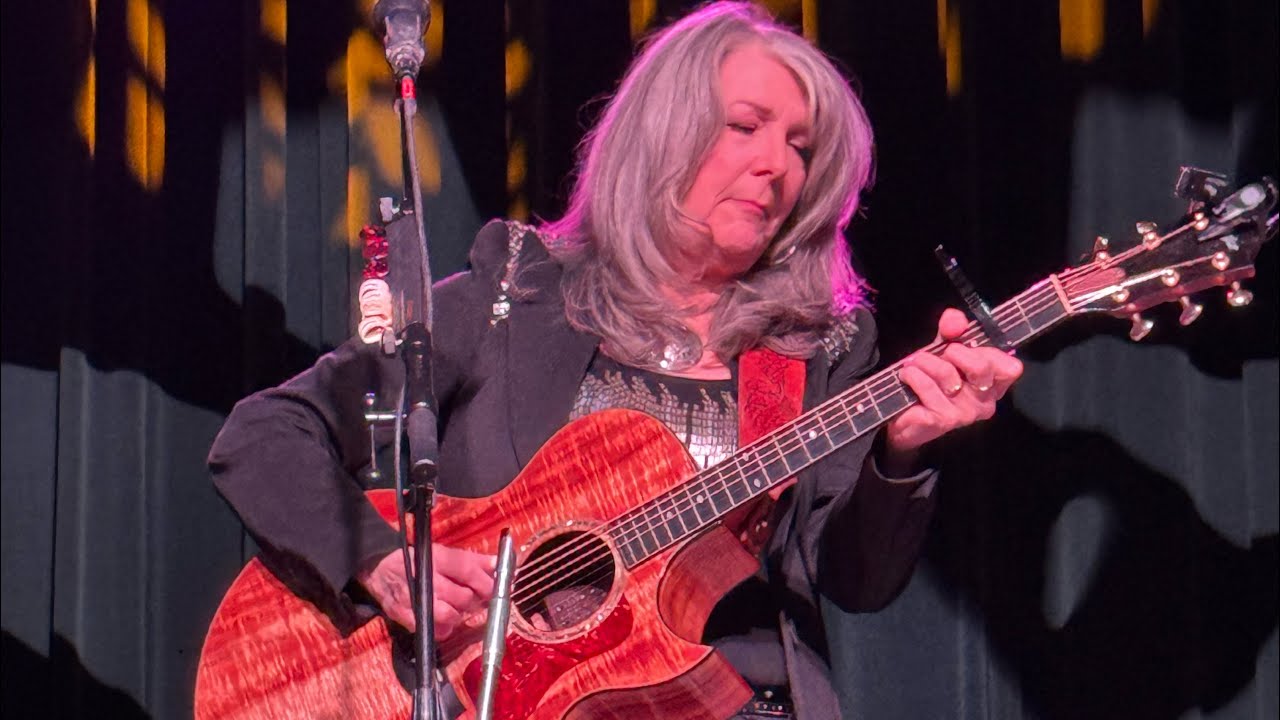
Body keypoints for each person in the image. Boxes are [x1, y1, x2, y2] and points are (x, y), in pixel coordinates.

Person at [208, 2, 1023, 718]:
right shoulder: (516, 291)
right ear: (665, 133)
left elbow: (856, 580)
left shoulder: (819, 347)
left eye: (801, 147)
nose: (777, 166)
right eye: (745, 127)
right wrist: (381, 561)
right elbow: (265, 434)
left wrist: (903, 450)